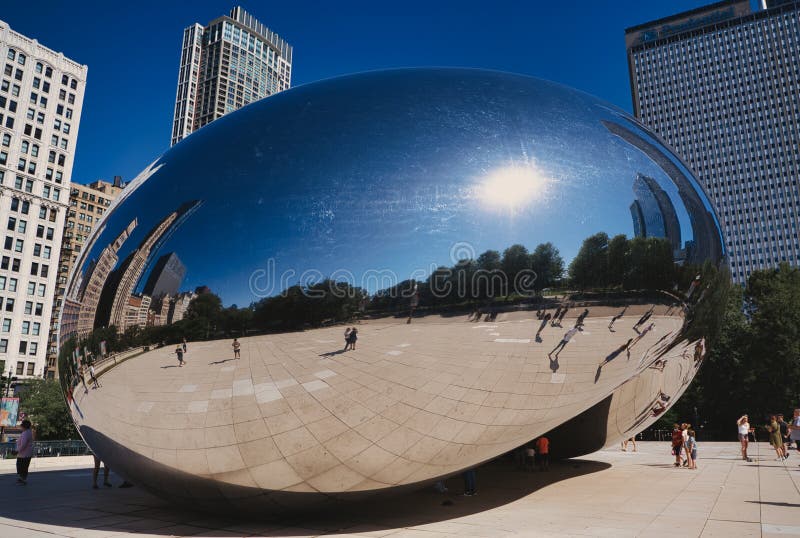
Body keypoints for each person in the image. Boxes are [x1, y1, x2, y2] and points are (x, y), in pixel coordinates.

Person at [15, 419, 33, 485]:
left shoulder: (25, 433)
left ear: (24, 426)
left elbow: (23, 444)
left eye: (21, 426)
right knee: (24, 466)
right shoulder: (29, 432)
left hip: (23, 454)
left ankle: (22, 479)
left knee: (21, 466)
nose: (21, 427)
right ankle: (22, 479)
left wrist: (17, 451)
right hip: (27, 453)